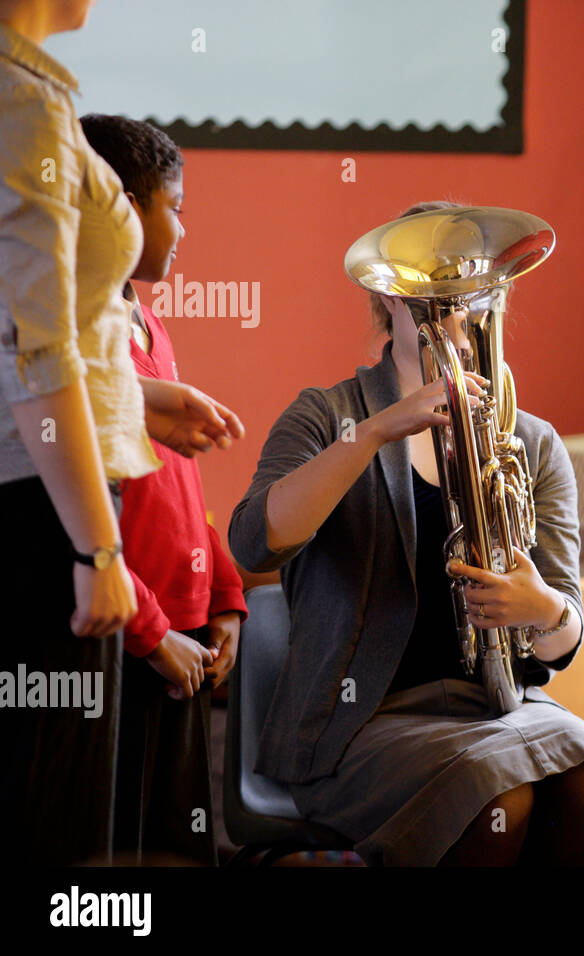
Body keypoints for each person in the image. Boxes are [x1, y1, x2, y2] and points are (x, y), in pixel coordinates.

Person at [229, 201, 584, 866]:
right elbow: (254, 541)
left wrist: (544, 610)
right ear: (388, 300)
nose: (457, 311)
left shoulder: (532, 441)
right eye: (436, 294)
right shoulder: (329, 415)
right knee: (500, 798)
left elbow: (564, 634)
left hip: (496, 709)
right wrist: (379, 429)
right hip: (358, 726)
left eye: (473, 292)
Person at [0, 0, 241, 865]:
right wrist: (101, 556)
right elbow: (36, 348)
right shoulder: (19, 104)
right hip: (41, 512)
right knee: (58, 832)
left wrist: (137, 404)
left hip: (50, 500)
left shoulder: (32, 93)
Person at [80, 113, 248, 865]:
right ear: (121, 205)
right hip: (131, 642)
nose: (183, 229)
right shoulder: (83, 336)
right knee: (114, 854)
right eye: (173, 206)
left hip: (187, 633)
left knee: (179, 849)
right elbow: (87, 513)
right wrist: (151, 635)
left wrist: (228, 598)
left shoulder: (149, 325)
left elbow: (183, 488)